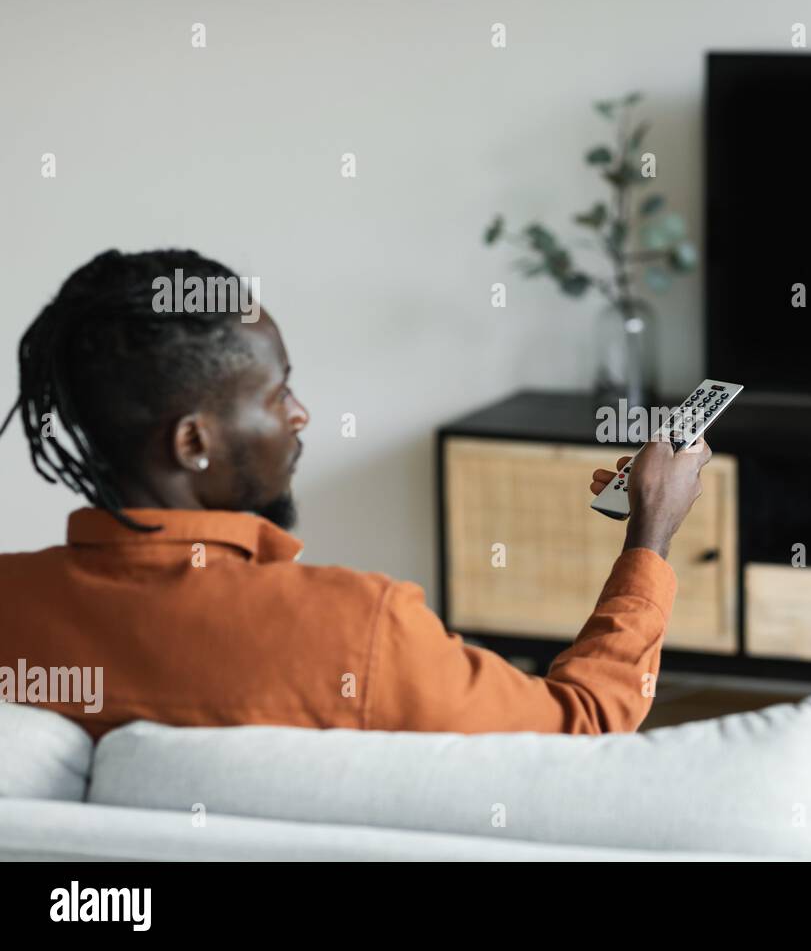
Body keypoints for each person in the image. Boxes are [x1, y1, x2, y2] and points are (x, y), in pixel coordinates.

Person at [0, 249, 710, 738]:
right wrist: (651, 531)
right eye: (278, 393)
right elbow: (579, 725)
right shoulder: (356, 628)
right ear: (193, 444)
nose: (301, 414)